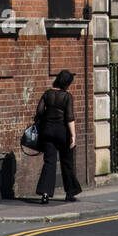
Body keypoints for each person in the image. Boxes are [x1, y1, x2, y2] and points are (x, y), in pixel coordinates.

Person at [34, 70, 82, 204]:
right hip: (62, 132)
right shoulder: (67, 97)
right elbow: (69, 118)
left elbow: (39, 112)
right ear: (66, 83)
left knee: (49, 162)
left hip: (47, 132)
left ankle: (45, 194)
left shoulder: (47, 94)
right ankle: (70, 192)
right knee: (67, 162)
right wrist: (73, 135)